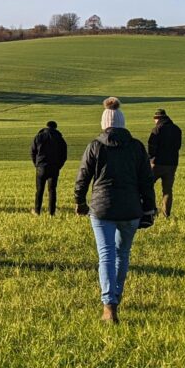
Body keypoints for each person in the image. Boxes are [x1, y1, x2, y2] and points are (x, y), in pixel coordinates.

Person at [73, 98, 156, 325]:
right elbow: (146, 181)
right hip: (131, 209)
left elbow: (83, 177)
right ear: (122, 123)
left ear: (104, 123)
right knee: (122, 254)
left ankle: (109, 306)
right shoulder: (136, 147)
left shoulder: (95, 146)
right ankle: (115, 297)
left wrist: (79, 201)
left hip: (102, 209)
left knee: (106, 255)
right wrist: (149, 208)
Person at [148, 108, 183, 219]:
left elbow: (151, 148)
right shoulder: (177, 129)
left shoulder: (157, 130)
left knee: (148, 186)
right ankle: (166, 214)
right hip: (172, 164)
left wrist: (150, 159)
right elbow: (178, 146)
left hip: (157, 163)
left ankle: (152, 211)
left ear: (157, 118)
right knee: (167, 190)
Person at [30, 120, 67, 215]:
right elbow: (64, 155)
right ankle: (52, 212)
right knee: (52, 190)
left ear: (46, 126)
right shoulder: (59, 138)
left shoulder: (39, 137)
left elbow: (33, 152)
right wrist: (59, 166)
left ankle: (37, 211)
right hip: (54, 167)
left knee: (39, 190)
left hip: (41, 167)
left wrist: (36, 164)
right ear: (55, 127)